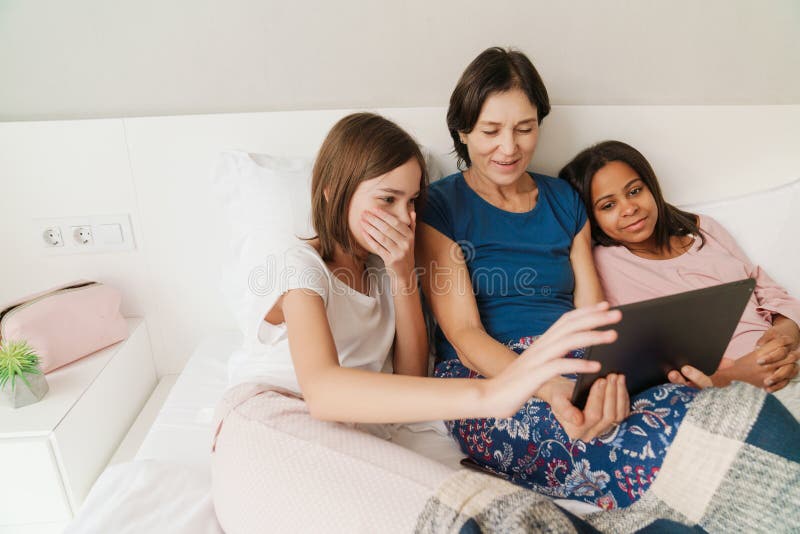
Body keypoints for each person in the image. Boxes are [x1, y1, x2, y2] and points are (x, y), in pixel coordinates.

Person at [211, 112, 622, 532]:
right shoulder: (297, 265)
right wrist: (490, 394)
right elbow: (322, 391)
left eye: (411, 202)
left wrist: (403, 272)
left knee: (496, 513)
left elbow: (409, 372)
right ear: (335, 194)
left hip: (346, 435)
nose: (406, 218)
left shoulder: (382, 270)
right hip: (267, 423)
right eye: (387, 200)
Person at [416, 47, 697, 510]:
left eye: (525, 129)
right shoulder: (441, 206)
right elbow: (464, 334)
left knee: (697, 412)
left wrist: (607, 375)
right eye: (491, 131)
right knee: (637, 451)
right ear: (462, 130)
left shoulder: (564, 198)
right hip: (488, 373)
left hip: (573, 359)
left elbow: (590, 314)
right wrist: (548, 386)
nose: (509, 147)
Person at [559, 140, 800, 392]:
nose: (630, 208)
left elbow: (766, 289)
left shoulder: (703, 229)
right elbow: (643, 364)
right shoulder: (603, 264)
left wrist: (786, 332)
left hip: (787, 360)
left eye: (634, 191)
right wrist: (736, 375)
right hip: (724, 391)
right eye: (608, 205)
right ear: (590, 216)